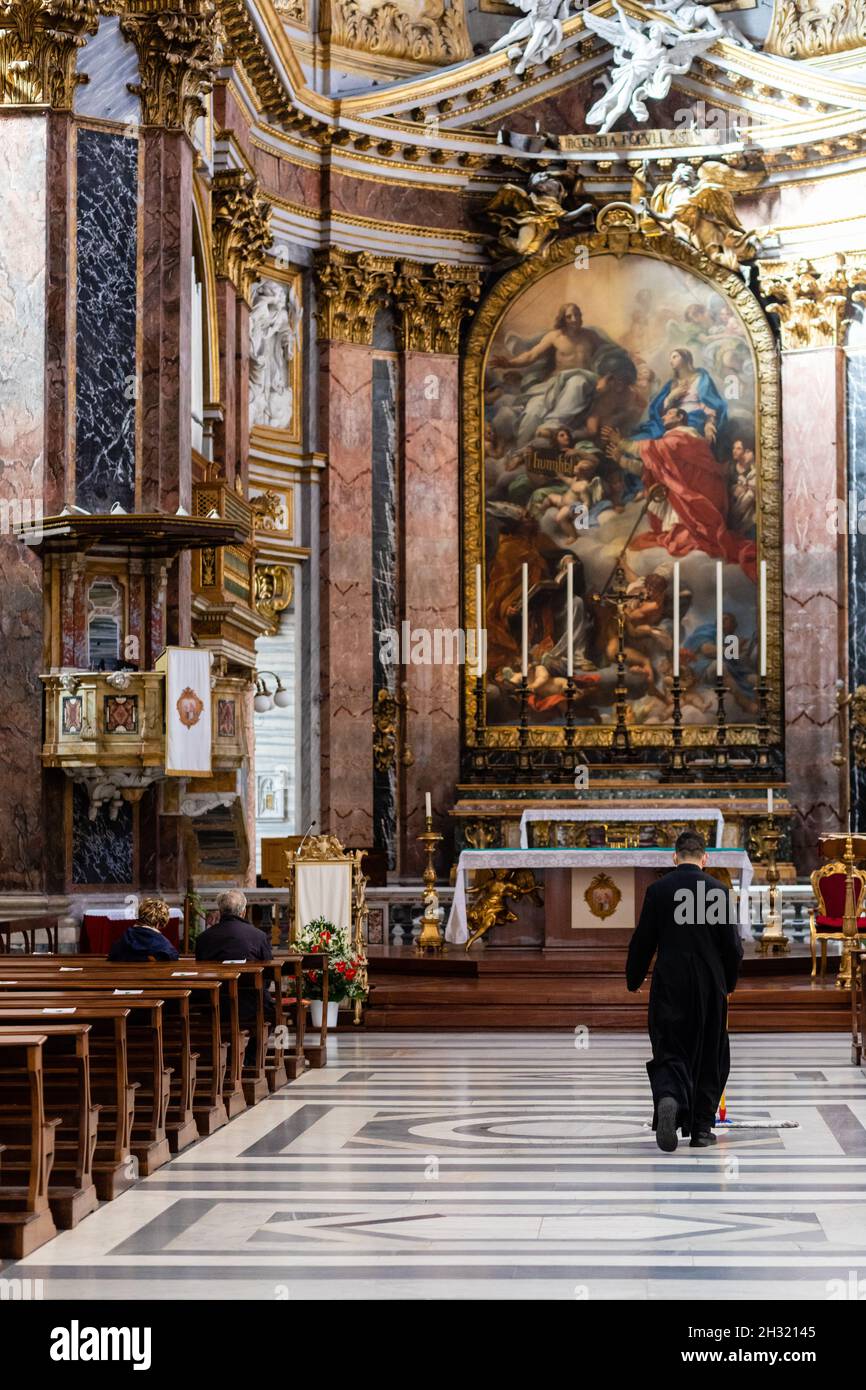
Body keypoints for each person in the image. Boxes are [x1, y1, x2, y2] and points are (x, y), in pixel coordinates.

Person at [626, 829, 743, 1152]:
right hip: (709, 983)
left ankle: (669, 1097)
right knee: (710, 1050)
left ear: (675, 858)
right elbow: (732, 947)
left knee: (669, 1045)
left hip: (670, 982)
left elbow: (643, 941)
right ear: (705, 858)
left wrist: (634, 979)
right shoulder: (718, 892)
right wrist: (728, 984)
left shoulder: (658, 890)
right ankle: (702, 1129)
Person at [195, 889, 275, 1027]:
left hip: (214, 1004)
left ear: (220, 911)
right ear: (243, 912)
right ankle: (253, 1048)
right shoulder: (258, 936)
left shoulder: (204, 938)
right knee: (272, 1013)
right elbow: (268, 973)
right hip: (252, 1003)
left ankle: (221, 1045)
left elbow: (200, 971)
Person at [107, 897, 179, 962]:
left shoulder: (123, 939)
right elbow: (173, 957)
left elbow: (112, 956)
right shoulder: (163, 944)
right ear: (159, 922)